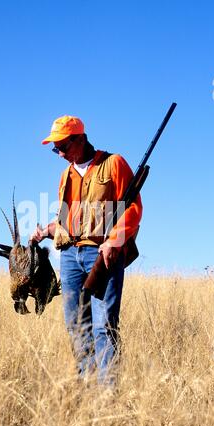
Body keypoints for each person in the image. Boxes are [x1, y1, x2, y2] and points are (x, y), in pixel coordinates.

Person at [31, 115, 142, 386]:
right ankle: (87, 389)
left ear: (80, 139)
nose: (58, 153)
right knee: (76, 325)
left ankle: (107, 396)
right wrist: (46, 231)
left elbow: (133, 209)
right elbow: (68, 219)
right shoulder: (66, 175)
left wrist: (114, 241)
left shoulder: (113, 164)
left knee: (104, 325)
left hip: (102, 254)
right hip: (69, 256)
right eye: (54, 148)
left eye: (62, 146)